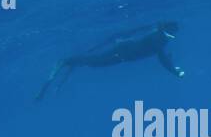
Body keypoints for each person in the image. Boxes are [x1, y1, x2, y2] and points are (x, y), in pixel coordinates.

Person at [36, 21, 184, 100]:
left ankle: (71, 62)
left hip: (123, 53)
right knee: (96, 62)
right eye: (172, 34)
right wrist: (173, 71)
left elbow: (162, 57)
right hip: (122, 54)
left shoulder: (159, 36)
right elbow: (162, 58)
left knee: (95, 62)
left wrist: (171, 67)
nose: (172, 37)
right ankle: (67, 61)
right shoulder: (159, 39)